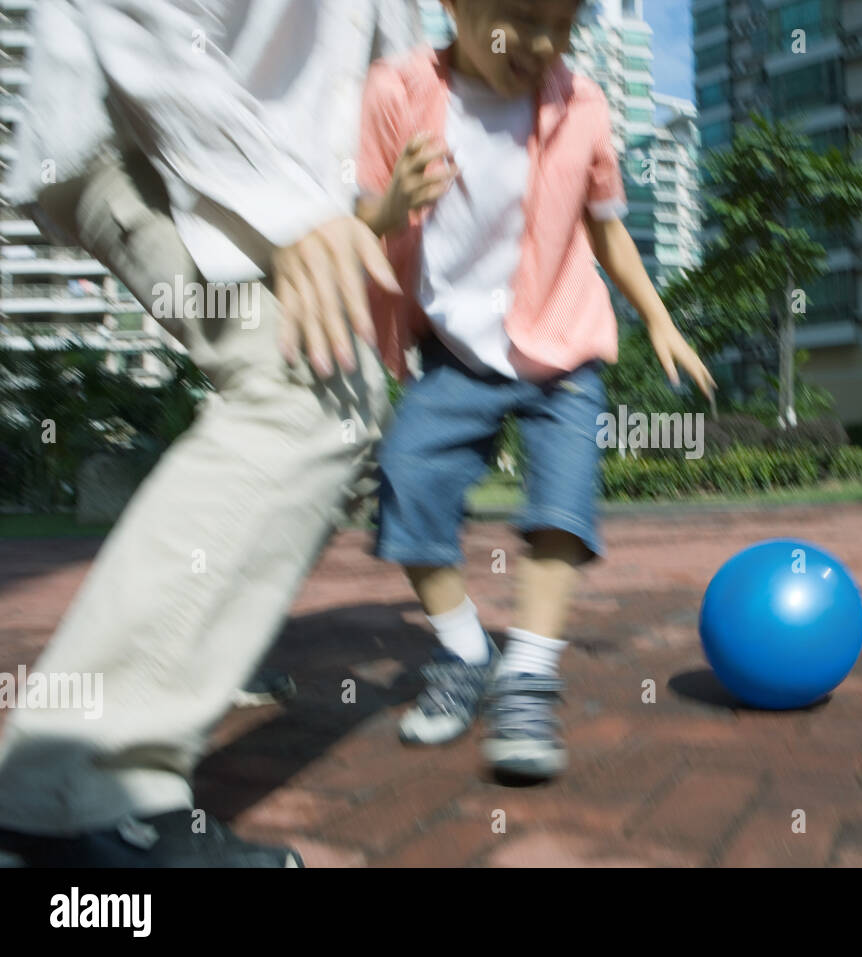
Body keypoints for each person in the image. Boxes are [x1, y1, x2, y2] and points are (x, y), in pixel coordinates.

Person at [0, 0, 421, 867]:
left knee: (326, 395)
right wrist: (290, 214)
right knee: (310, 389)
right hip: (130, 132)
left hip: (247, 166)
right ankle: (76, 789)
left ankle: (57, 793)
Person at [355, 0, 715, 780]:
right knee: (405, 480)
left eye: (564, 22)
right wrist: (394, 205)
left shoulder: (580, 101)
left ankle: (529, 676)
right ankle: (464, 650)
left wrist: (658, 318)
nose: (543, 43)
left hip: (564, 345)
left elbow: (608, 226)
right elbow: (364, 216)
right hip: (454, 353)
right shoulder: (397, 90)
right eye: (521, 17)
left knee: (561, 508)